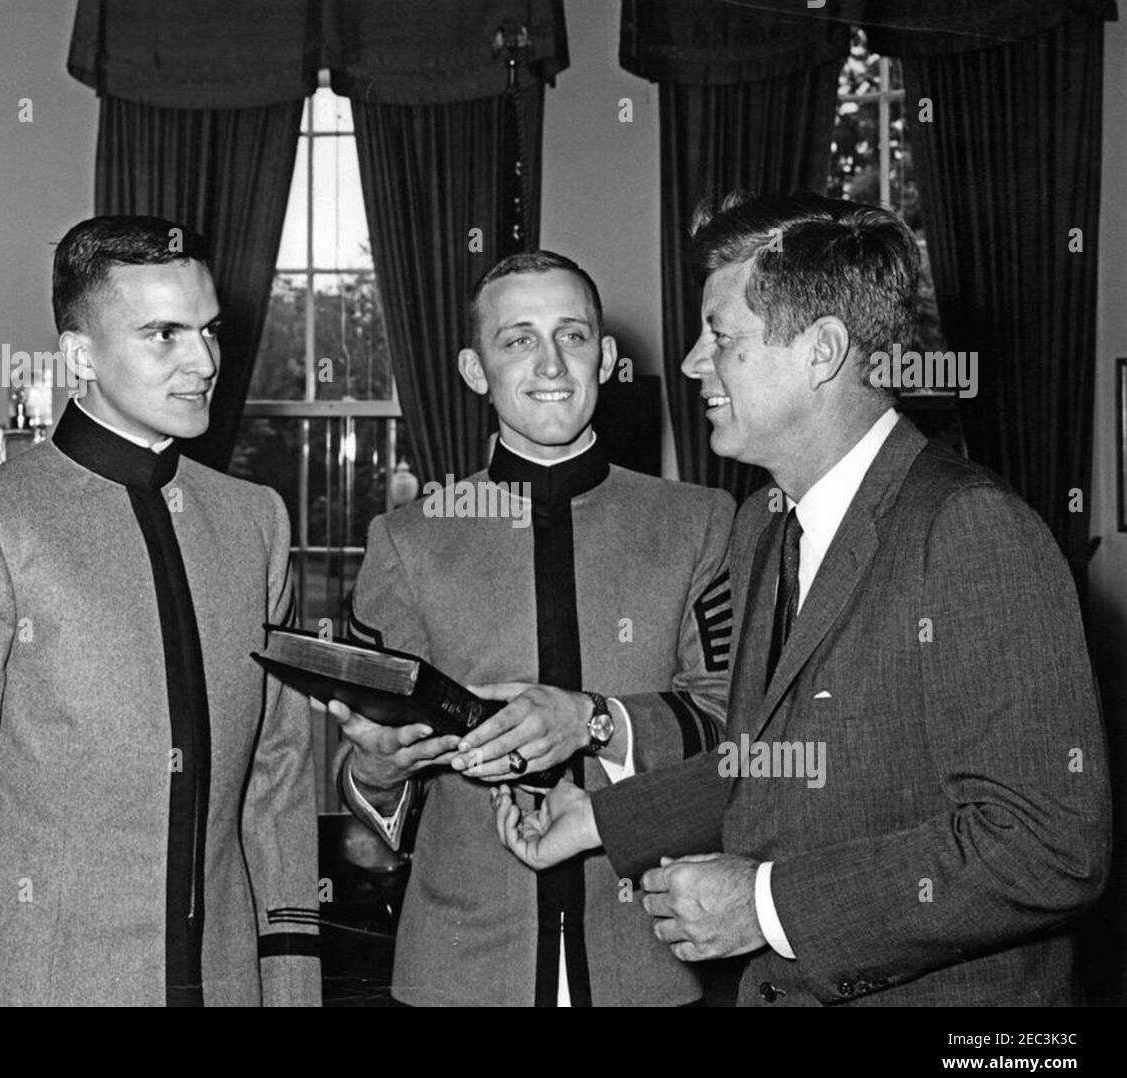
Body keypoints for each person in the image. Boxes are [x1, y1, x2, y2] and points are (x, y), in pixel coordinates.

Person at [493, 195, 1112, 1006]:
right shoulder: (762, 524)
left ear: (821, 351)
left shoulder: (969, 528)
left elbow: (1049, 844)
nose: (689, 364)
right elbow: (774, 763)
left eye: (720, 337)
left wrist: (766, 906)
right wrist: (603, 820)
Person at [0, 215, 321, 1007]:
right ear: (80, 356)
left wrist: (289, 983)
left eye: (209, 330)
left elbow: (276, 786)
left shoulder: (256, 522)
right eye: (163, 334)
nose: (203, 361)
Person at [334, 250, 736, 1006]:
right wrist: (379, 771)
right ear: (474, 368)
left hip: (651, 956)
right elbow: (368, 786)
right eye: (518, 339)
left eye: (573, 336)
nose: (551, 362)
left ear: (607, 358)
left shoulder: (698, 523)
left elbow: (734, 725)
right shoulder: (407, 540)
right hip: (459, 964)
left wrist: (596, 722)